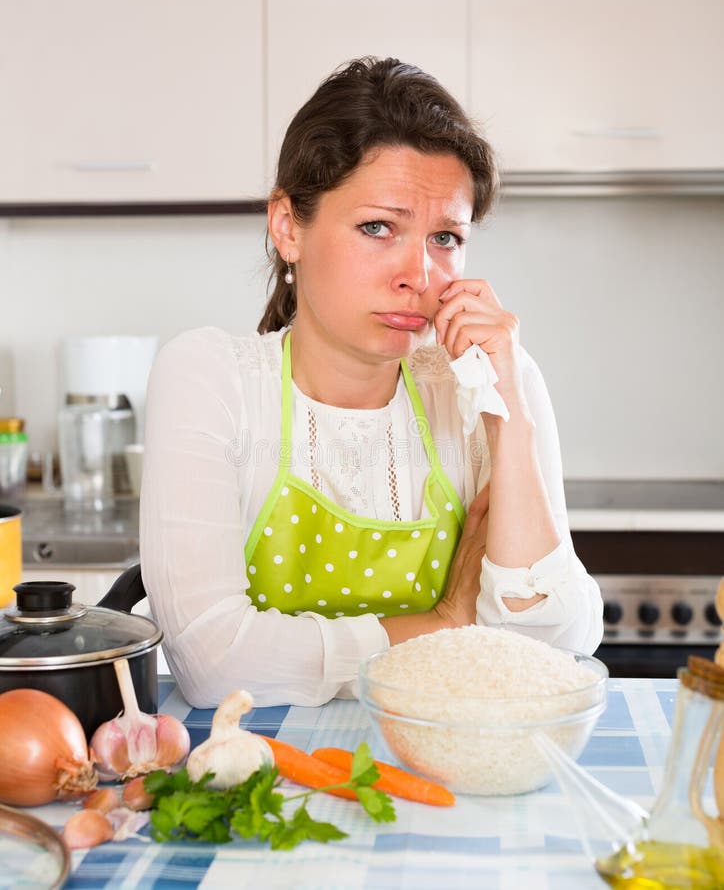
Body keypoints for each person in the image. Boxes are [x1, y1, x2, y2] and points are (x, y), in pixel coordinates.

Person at [140, 57, 603, 709]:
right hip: (264, 765)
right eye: (378, 228)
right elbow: (214, 665)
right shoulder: (211, 378)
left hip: (446, 758)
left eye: (445, 237)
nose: (419, 274)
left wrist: (509, 421)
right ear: (287, 227)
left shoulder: (490, 387)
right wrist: (448, 623)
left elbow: (555, 648)